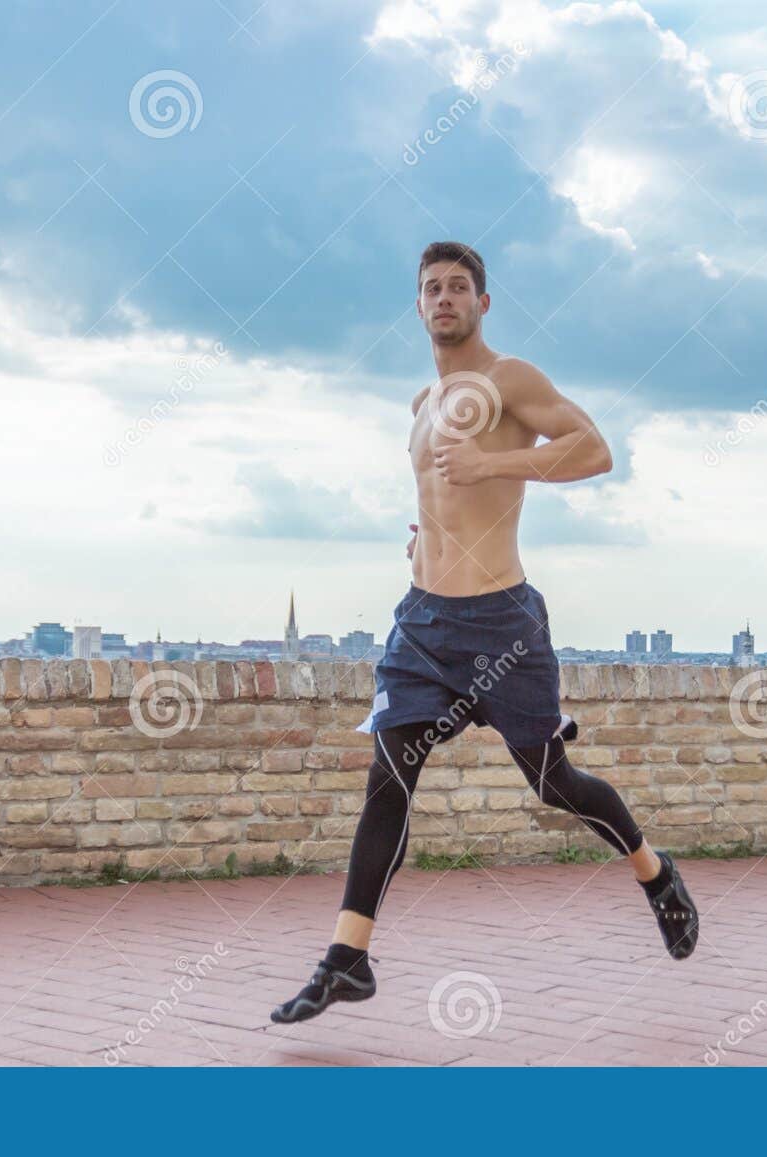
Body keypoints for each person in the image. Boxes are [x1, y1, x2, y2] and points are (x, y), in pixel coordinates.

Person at [271, 241, 698, 1026]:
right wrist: (425, 534)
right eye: (431, 287)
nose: (444, 298)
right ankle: (348, 956)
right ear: (418, 304)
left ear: (483, 302)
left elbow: (596, 450)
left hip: (502, 620)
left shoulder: (511, 381)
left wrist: (497, 467)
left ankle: (653, 870)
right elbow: (445, 497)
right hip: (423, 622)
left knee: (552, 782)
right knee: (388, 776)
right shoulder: (419, 406)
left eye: (458, 287)